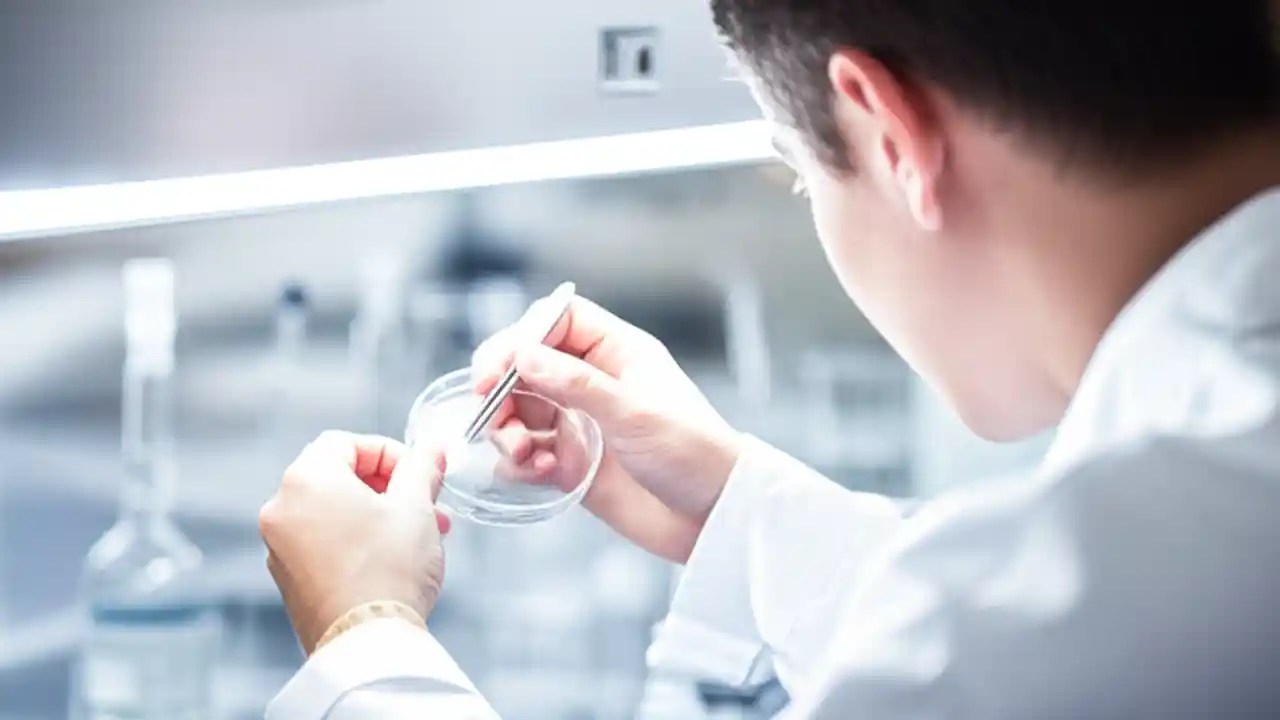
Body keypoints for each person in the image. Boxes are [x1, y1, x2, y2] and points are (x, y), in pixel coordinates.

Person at [259, 2, 1280, 717]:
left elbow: (1006, 654)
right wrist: (734, 507)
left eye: (799, 177)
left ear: (889, 133)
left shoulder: (1036, 633)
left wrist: (366, 637)